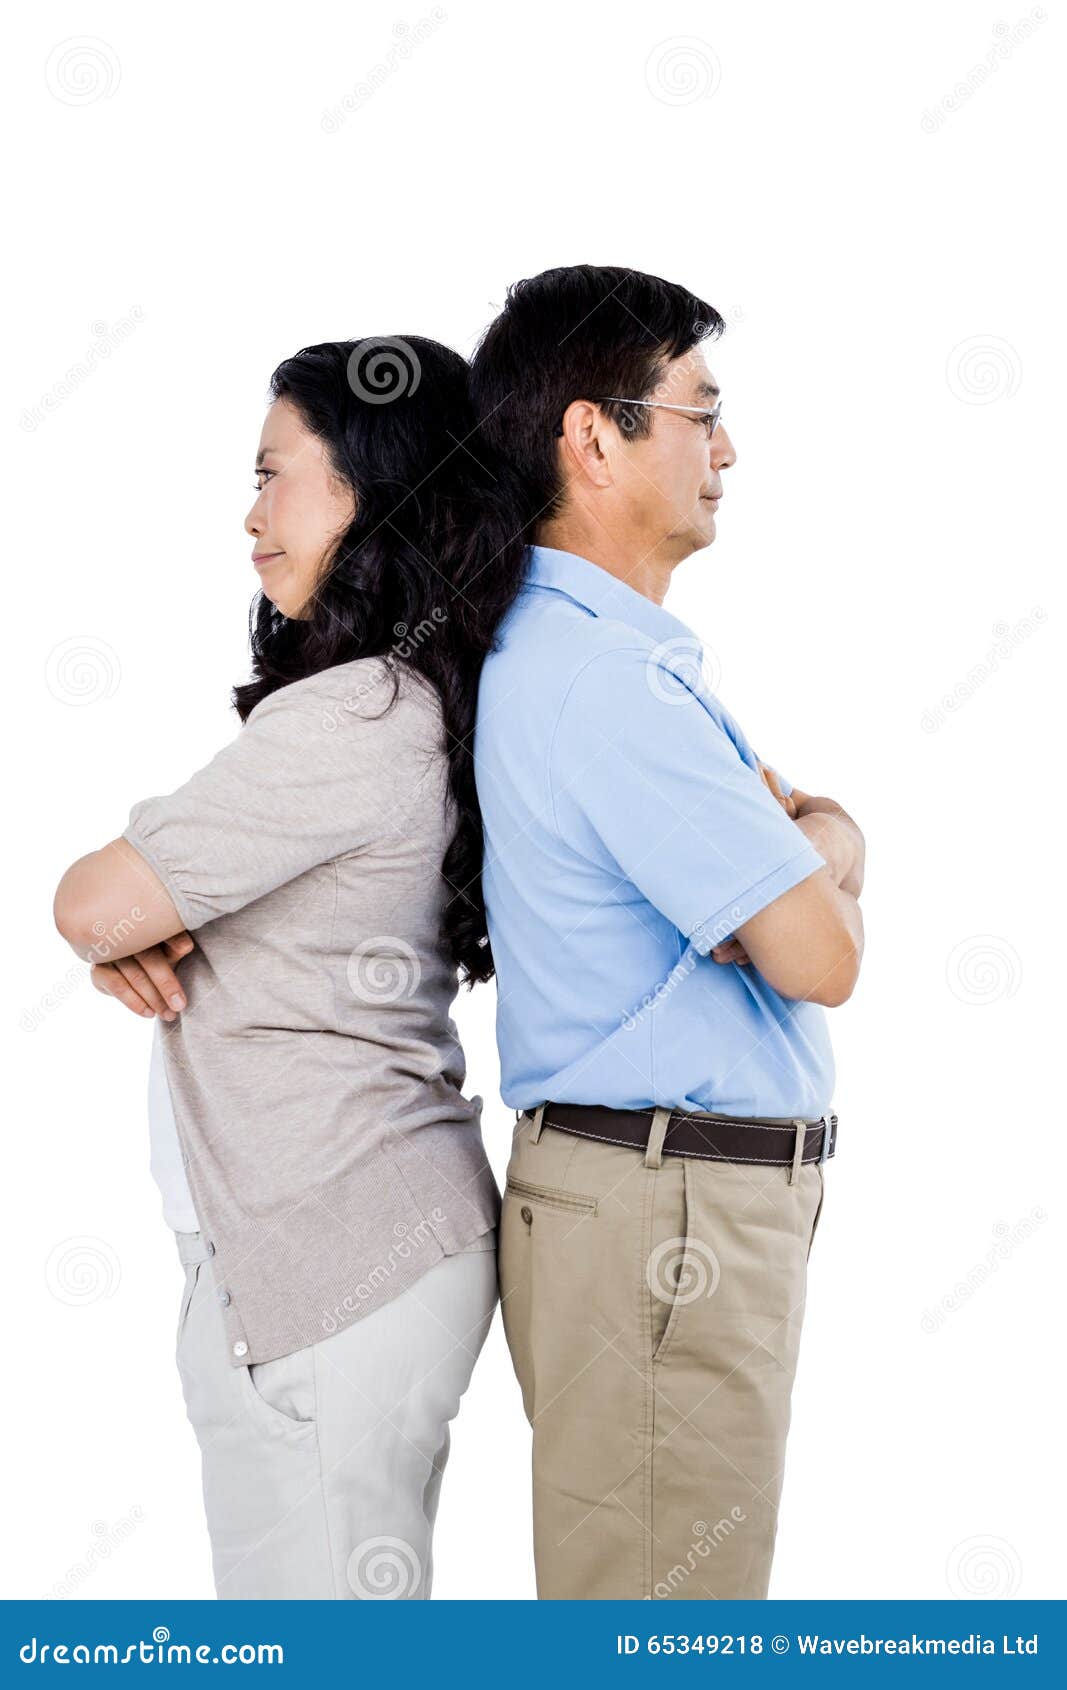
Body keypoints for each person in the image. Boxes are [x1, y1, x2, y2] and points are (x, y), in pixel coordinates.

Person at [53, 335, 526, 1600]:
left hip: (330, 1263)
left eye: (275, 476)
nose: (251, 517)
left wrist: (127, 923)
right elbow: (126, 915)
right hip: (359, 1250)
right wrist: (135, 932)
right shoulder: (416, 696)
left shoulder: (350, 715)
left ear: (371, 490)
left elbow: (93, 896)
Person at [469, 266, 866, 1600]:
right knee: (661, 1633)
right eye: (700, 410)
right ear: (592, 435)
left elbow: (800, 909)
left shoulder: (585, 658)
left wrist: (803, 863)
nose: (727, 447)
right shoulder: (605, 684)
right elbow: (821, 955)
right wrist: (817, 847)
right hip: (668, 1215)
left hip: (655, 1208)